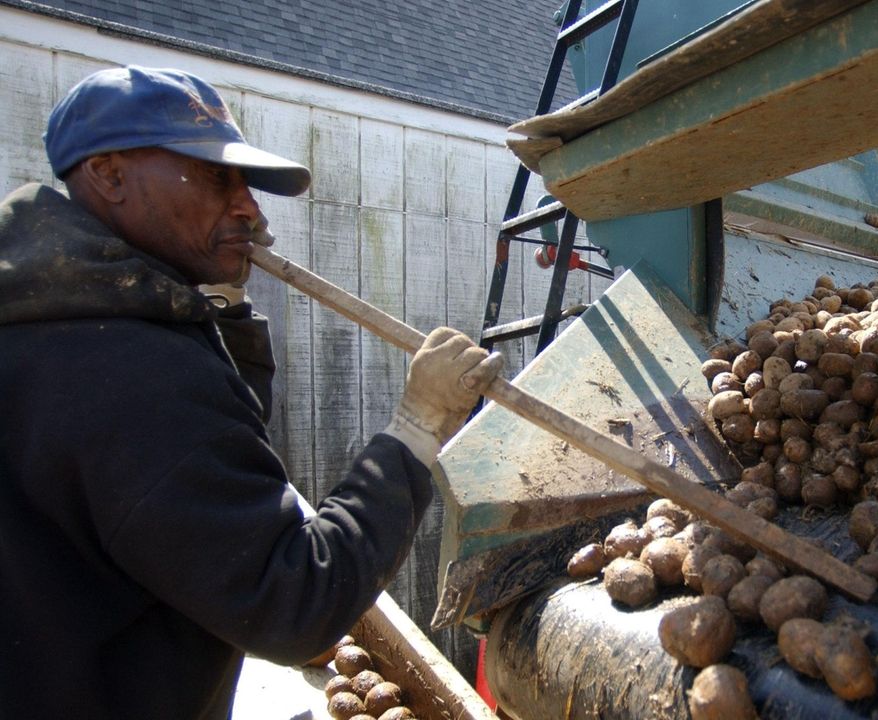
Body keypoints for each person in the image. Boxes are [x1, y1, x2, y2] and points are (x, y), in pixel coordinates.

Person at [0, 65, 502, 718]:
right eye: (216, 179)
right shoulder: (136, 373)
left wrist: (218, 305)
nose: (250, 209)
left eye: (246, 184)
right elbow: (295, 601)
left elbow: (205, 464)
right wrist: (419, 422)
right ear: (111, 174)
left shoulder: (47, 314)